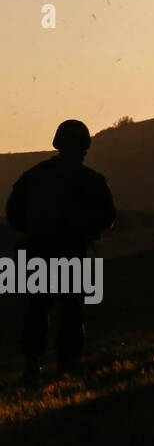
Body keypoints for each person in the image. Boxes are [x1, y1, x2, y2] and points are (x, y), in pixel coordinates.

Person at [5, 119, 115, 382]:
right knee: (71, 310)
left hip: (39, 251)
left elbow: (13, 213)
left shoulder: (34, 176)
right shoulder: (92, 180)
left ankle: (33, 365)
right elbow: (108, 217)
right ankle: (67, 366)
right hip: (72, 252)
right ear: (85, 148)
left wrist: (33, 231)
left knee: (38, 309)